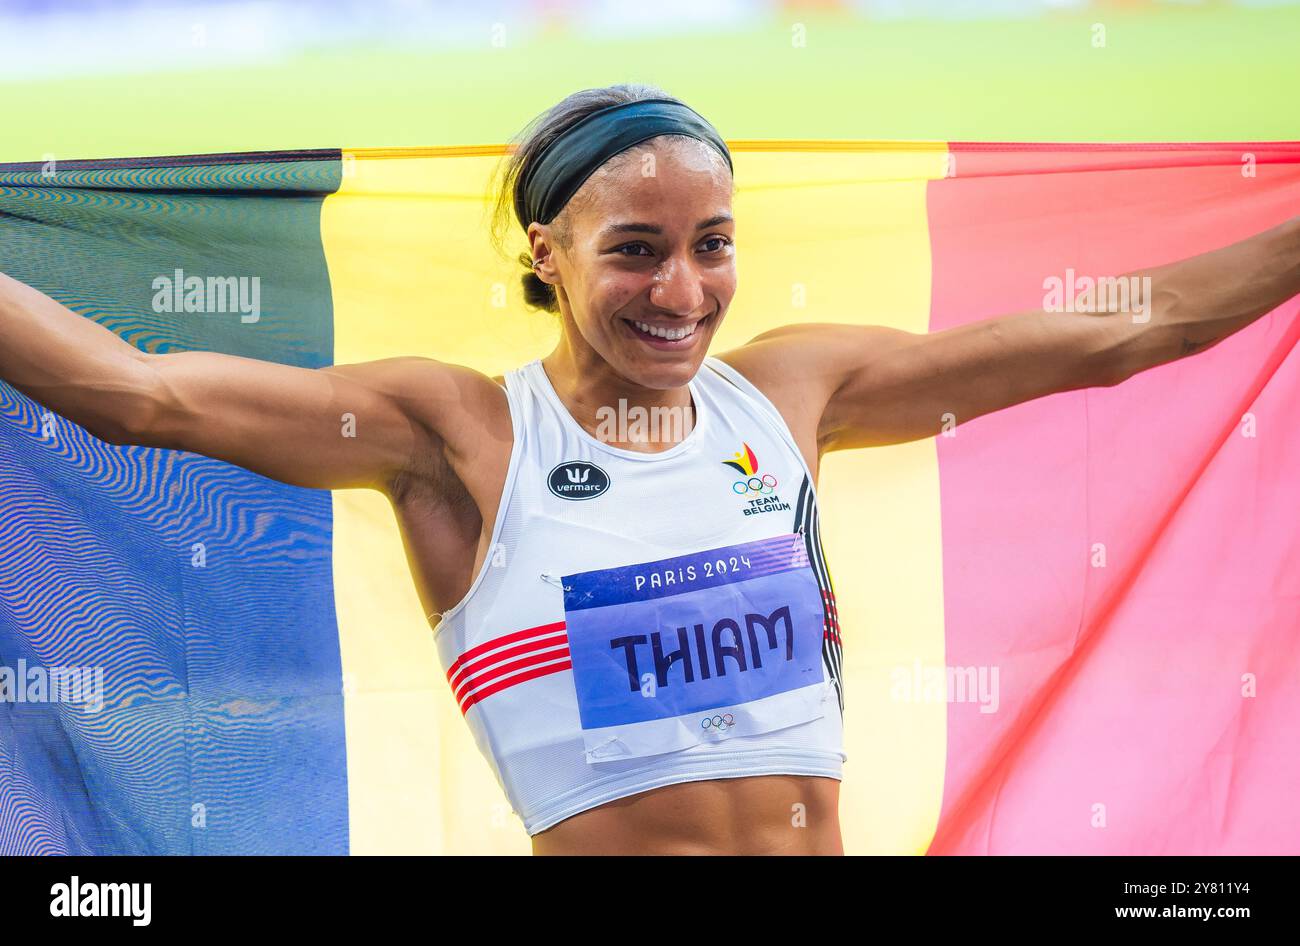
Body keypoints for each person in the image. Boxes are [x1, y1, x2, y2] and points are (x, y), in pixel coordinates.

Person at [1, 83, 1297, 856]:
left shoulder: (791, 393)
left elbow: (1127, 330)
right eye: (635, 248)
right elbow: (137, 397)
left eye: (713, 243)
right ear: (548, 252)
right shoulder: (456, 435)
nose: (685, 290)